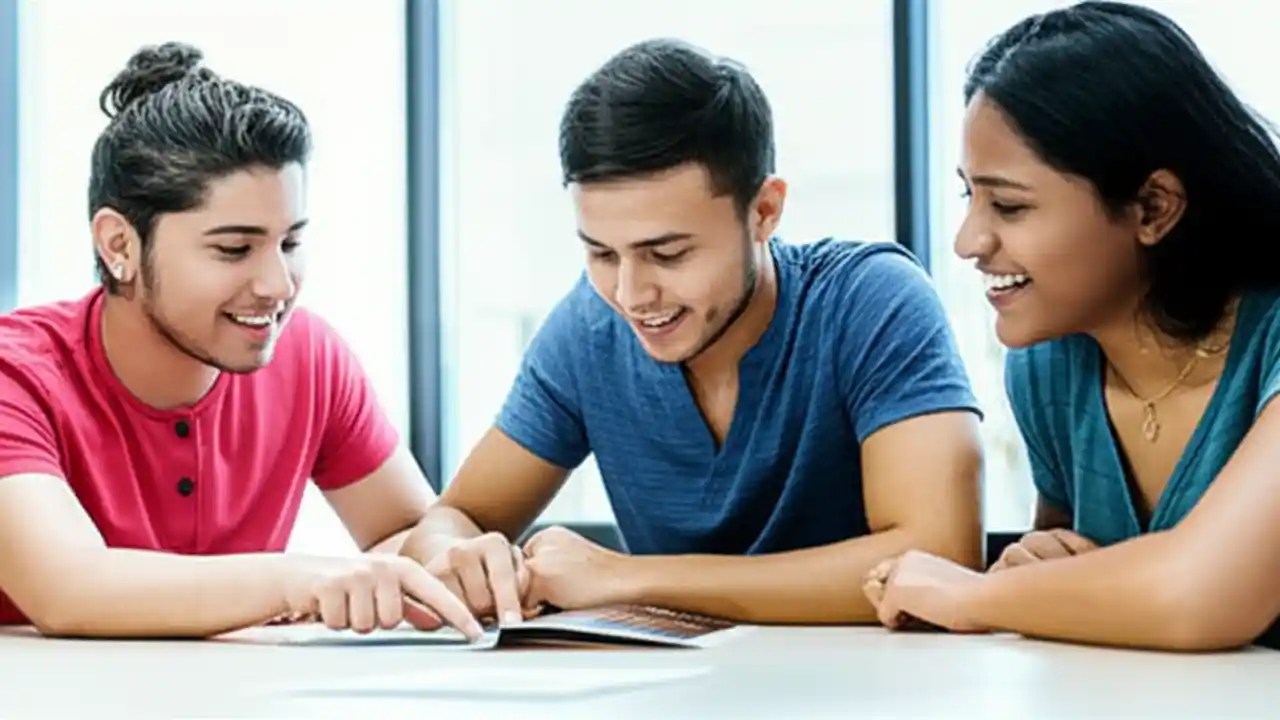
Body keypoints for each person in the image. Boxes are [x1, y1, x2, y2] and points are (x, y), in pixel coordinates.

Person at [401, 38, 985, 626]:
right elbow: (452, 519)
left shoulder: (871, 301)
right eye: (602, 253)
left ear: (764, 212)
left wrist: (625, 578)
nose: (631, 295)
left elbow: (938, 558)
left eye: (668, 253)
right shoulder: (587, 329)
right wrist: (458, 559)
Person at [0, 42, 482, 641]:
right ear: (118, 245)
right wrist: (299, 580)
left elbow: (403, 535)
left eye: (290, 242)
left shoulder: (309, 356)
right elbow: (68, 589)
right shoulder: (14, 377)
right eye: (234, 249)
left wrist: (459, 560)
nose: (278, 286)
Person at [862, 1, 1280, 651]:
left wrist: (971, 595)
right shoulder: (1049, 366)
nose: (968, 240)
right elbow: (1081, 584)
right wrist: (1037, 569)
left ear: (1153, 206)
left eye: (1009, 204)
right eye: (969, 195)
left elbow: (1199, 597)